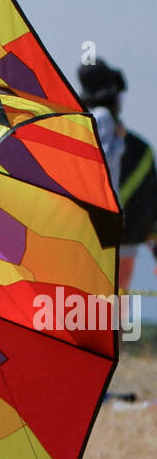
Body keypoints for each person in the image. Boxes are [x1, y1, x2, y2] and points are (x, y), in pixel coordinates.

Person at [78, 60, 157, 290]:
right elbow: (150, 205)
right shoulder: (140, 149)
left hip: (90, 237)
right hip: (119, 242)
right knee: (111, 317)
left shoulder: (83, 125)